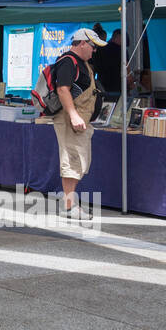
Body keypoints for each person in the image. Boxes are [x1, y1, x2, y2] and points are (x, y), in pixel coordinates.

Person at [50, 27, 106, 219]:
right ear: (82, 43)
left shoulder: (82, 63)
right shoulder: (68, 61)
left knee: (78, 161)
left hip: (80, 120)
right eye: (93, 46)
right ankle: (69, 207)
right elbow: (63, 90)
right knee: (72, 161)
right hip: (70, 120)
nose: (95, 51)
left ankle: (70, 205)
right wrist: (73, 115)